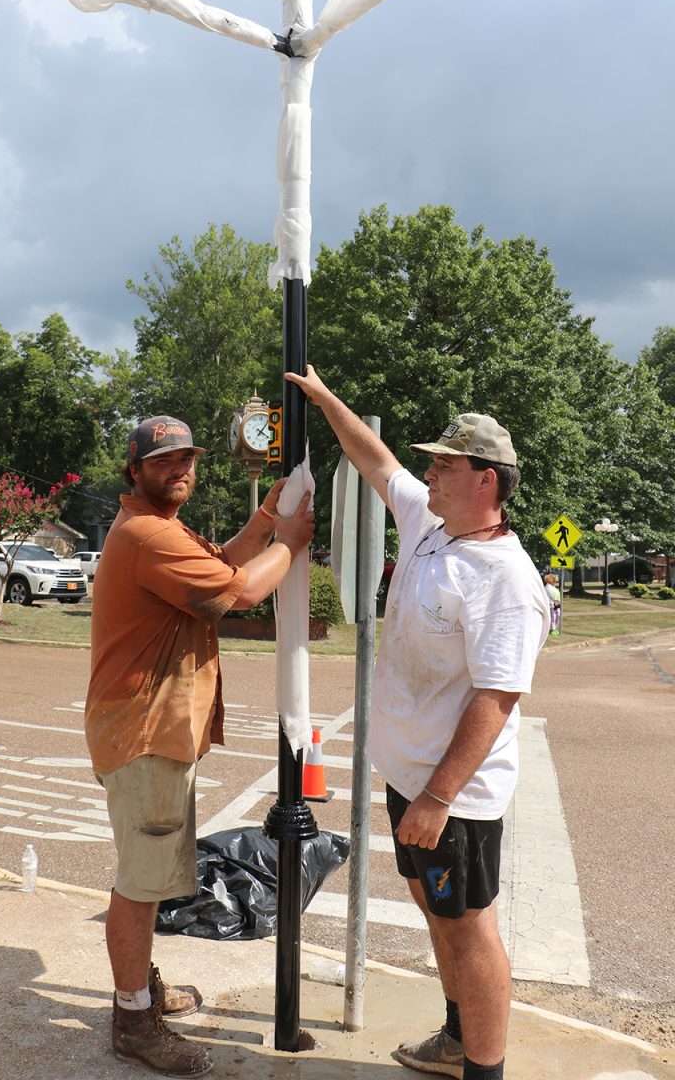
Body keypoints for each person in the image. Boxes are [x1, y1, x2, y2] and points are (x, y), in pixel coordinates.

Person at [285, 367, 549, 1080]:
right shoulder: (432, 524)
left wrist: (437, 798)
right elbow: (377, 460)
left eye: (446, 464)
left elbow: (496, 698)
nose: (430, 472)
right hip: (412, 778)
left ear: (487, 480)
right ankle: (459, 1038)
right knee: (438, 914)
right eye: (431, 462)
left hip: (451, 795)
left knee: (469, 929)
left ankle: (483, 1069)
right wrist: (322, 396)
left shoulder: (506, 580)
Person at [87, 414, 314, 1077]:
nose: (179, 469)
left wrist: (266, 524)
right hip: (144, 733)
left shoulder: (159, 530)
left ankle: (139, 990)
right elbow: (238, 591)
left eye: (186, 458)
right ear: (135, 470)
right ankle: (133, 1019)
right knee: (140, 883)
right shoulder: (147, 534)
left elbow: (219, 564)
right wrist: (291, 543)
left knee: (149, 875)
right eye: (163, 461)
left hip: (148, 730)